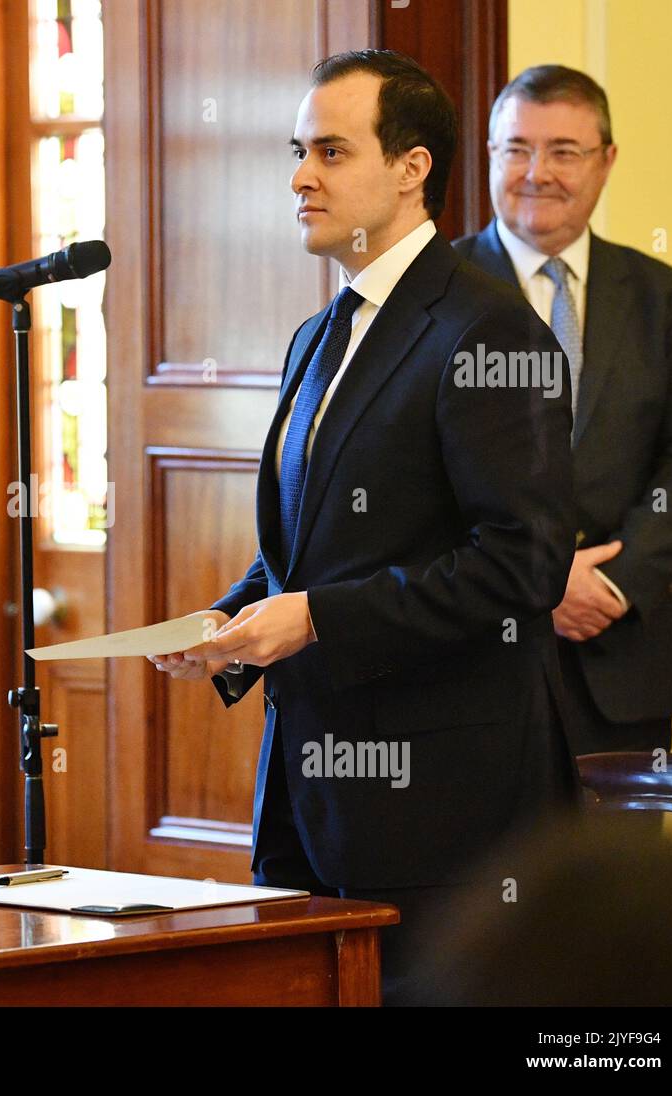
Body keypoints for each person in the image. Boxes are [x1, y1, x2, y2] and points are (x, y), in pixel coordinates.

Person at [152, 50, 578, 1003]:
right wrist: (231, 626)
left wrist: (317, 621)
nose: (301, 176)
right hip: (308, 795)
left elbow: (526, 563)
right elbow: (309, 556)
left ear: (412, 168)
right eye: (299, 151)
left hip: (443, 812)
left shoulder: (488, 331)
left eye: (331, 151)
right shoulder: (324, 332)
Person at [455, 64, 672, 756]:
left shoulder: (663, 295)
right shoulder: (433, 295)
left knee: (624, 868)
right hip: (474, 662)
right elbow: (407, 477)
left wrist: (613, 583)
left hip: (625, 656)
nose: (537, 172)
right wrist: (540, 580)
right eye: (516, 148)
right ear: (490, 156)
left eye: (564, 151)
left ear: (606, 161)